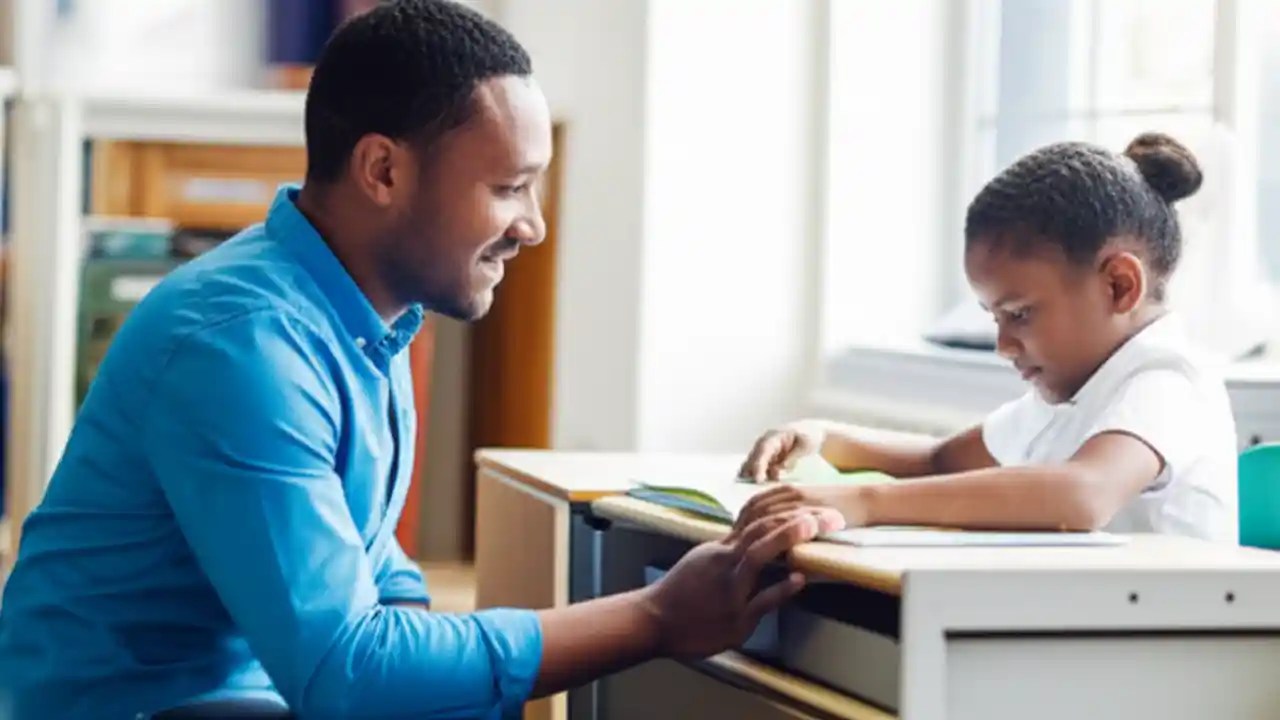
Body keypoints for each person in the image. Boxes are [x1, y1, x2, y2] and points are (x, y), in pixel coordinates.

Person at [0, 2, 844, 718]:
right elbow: (347, 669)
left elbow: (382, 581)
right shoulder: (241, 342)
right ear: (382, 170)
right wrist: (654, 618)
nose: (533, 226)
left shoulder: (368, 317)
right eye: (509, 187)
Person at [738, 133, 1238, 544]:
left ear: (1119, 285)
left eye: (1019, 313)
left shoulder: (1168, 380)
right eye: (994, 318)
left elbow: (1082, 494)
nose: (1003, 344)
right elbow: (940, 461)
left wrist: (865, 502)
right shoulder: (1078, 391)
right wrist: (826, 439)